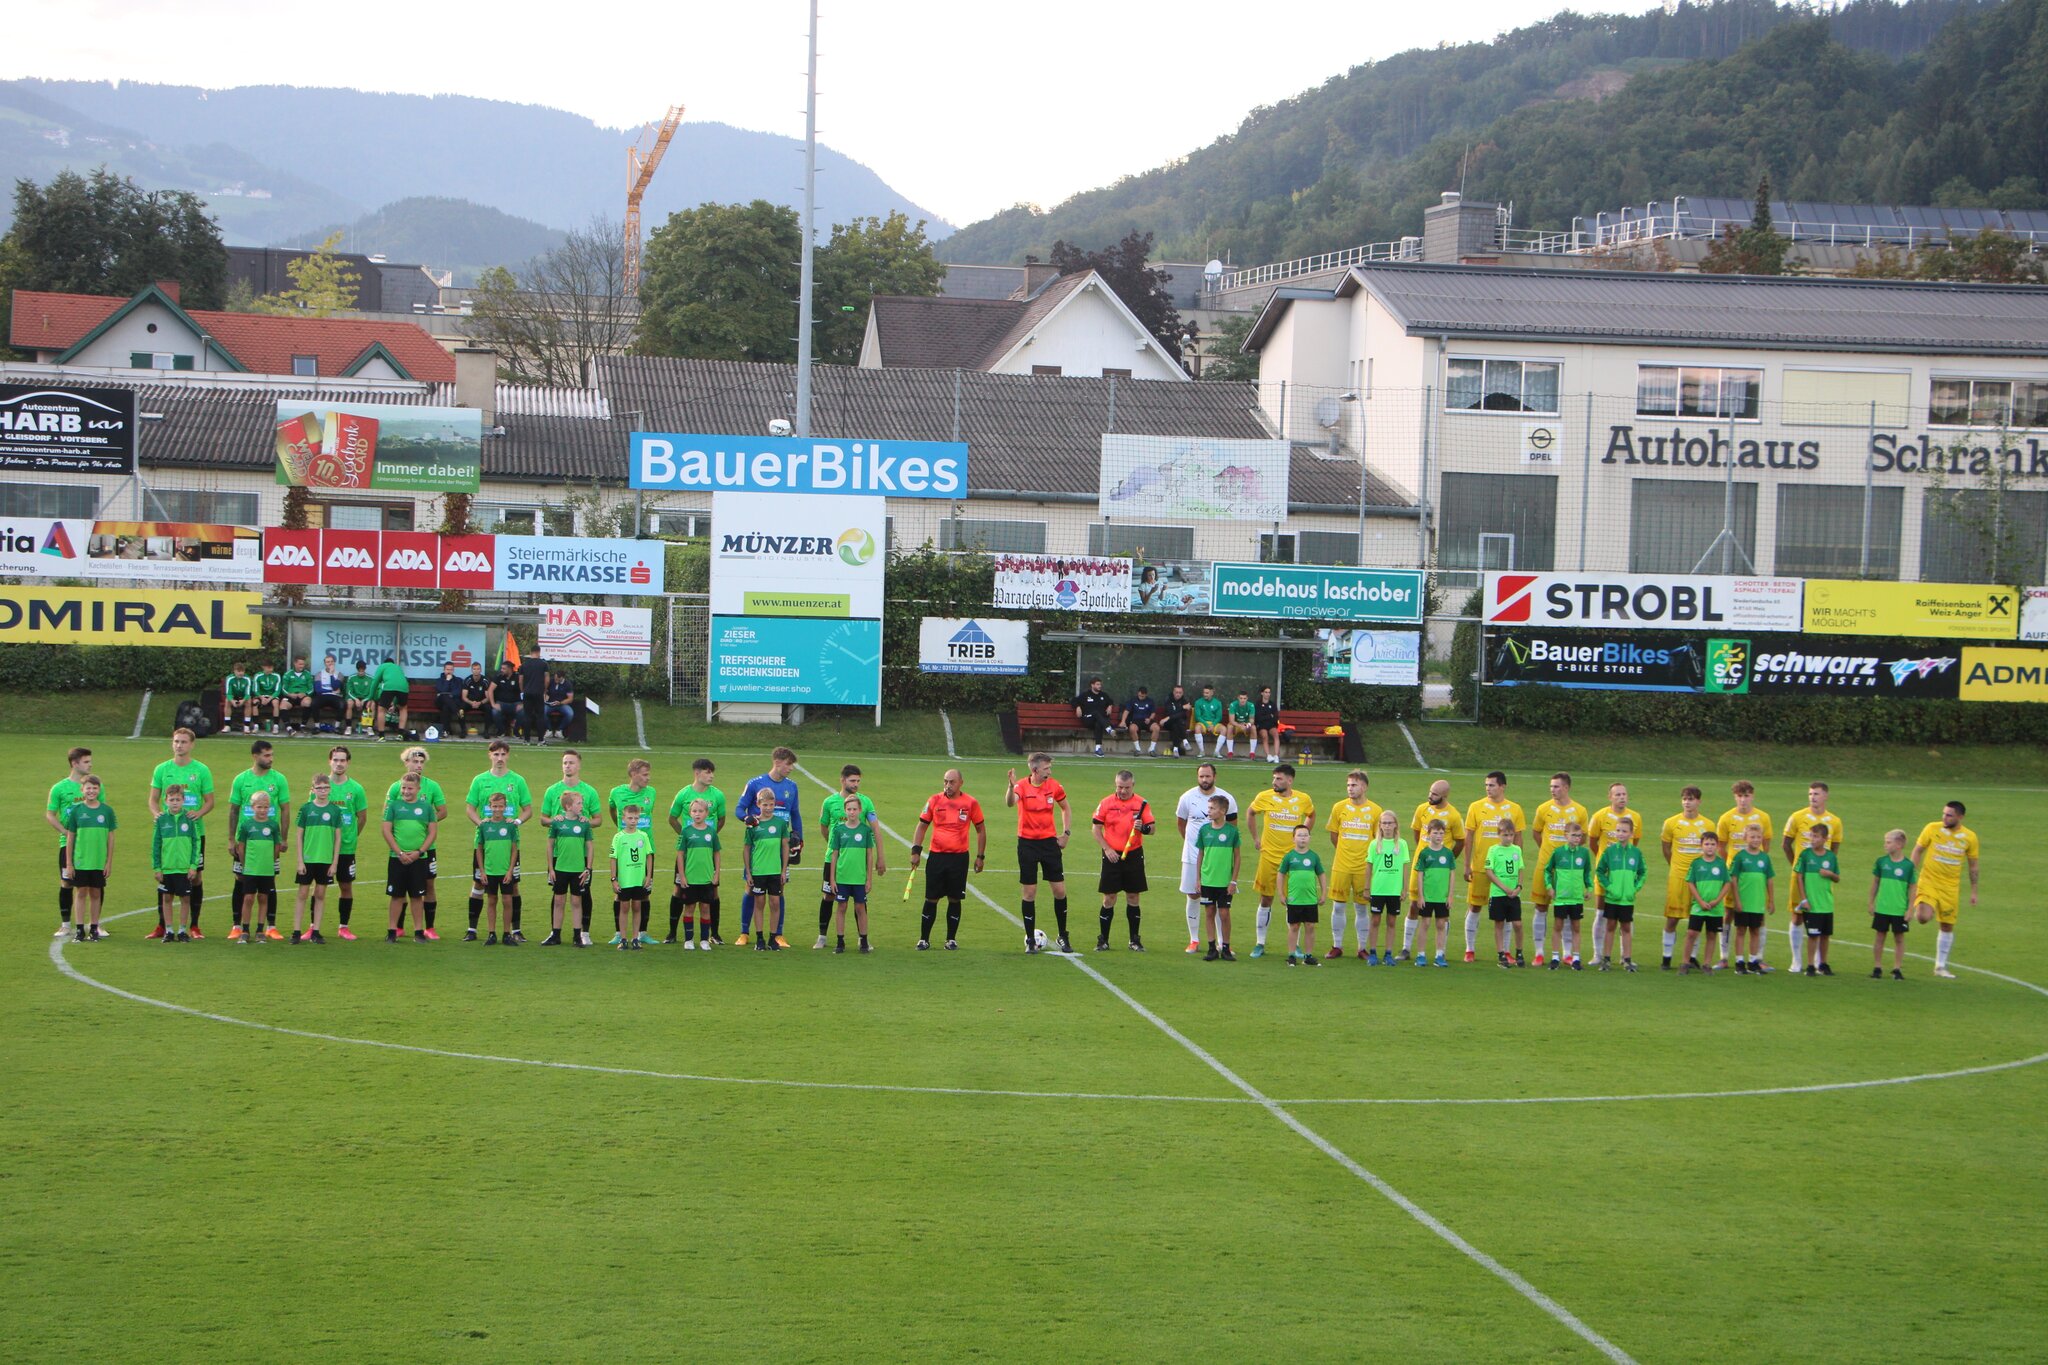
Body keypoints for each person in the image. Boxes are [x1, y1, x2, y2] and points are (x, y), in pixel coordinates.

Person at [148, 727, 216, 938]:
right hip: (169, 832)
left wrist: (199, 813)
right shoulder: (162, 769)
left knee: (194, 877)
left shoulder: (201, 770)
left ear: (192, 745)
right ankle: (162, 926)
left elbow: (210, 801)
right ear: (172, 743)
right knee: (164, 877)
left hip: (192, 833)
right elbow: (153, 798)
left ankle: (194, 926)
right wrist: (157, 814)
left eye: (184, 742)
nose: (179, 745)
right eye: (176, 741)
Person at [465, 740, 534, 941]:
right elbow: (469, 807)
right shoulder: (479, 780)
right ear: (490, 756)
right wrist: (481, 824)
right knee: (479, 883)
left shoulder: (517, 780)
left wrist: (518, 821)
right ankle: (472, 929)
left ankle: (515, 930)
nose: (500, 758)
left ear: (508, 756)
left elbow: (528, 809)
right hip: (485, 844)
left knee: (512, 886)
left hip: (509, 844)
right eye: (496, 754)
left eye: (503, 754)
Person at [910, 769, 985, 951]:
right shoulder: (934, 800)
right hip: (937, 857)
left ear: (961, 783)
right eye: (945, 782)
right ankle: (924, 939)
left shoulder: (970, 803)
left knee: (954, 898)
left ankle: (951, 939)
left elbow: (980, 829)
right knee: (931, 898)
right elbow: (921, 826)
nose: (948, 786)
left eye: (951, 782)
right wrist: (916, 851)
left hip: (959, 858)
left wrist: (980, 856)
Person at [1246, 763, 1315, 958]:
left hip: (1293, 859)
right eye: (1274, 778)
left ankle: (1296, 946)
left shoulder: (1303, 799)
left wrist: (1303, 835)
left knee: (1293, 901)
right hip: (1269, 856)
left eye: (1279, 778)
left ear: (1290, 780)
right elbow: (1250, 813)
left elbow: (1311, 814)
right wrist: (1255, 838)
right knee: (1266, 899)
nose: (1274, 782)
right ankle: (1260, 943)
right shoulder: (1264, 797)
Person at [1007, 753, 1073, 954]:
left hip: (1049, 844)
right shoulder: (1020, 786)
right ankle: (1030, 940)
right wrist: (1010, 786)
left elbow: (1065, 808)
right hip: (1027, 844)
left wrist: (1066, 834)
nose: (1049, 772)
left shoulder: (1054, 786)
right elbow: (1010, 803)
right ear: (1034, 770)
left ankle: (1063, 935)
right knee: (1029, 892)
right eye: (1046, 769)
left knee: (1059, 891)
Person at [736, 748, 802, 946]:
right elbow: (740, 808)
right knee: (751, 889)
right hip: (760, 845)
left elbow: (795, 814)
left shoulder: (792, 786)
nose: (791, 768)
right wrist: (747, 818)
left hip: (780, 844)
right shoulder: (755, 783)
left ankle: (777, 934)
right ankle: (744, 933)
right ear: (778, 762)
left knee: (779, 889)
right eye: (789, 764)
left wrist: (799, 837)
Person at [814, 765, 884, 949]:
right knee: (829, 896)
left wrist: (881, 856)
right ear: (842, 780)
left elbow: (875, 827)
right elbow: (823, 827)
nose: (856, 784)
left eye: (858, 781)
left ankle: (863, 938)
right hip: (833, 859)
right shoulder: (829, 802)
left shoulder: (865, 802)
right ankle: (822, 936)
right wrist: (836, 846)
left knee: (860, 900)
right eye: (852, 781)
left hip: (857, 861)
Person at [228, 740, 292, 936]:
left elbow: (285, 810)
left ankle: (271, 926)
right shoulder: (241, 779)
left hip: (269, 842)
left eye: (271, 755)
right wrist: (231, 839)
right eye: (266, 755)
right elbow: (234, 810)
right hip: (245, 842)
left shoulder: (279, 779)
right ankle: (237, 926)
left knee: (269, 880)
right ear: (255, 756)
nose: (270, 759)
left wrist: (283, 838)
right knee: (240, 880)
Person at [1174, 762, 1238, 954]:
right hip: (1193, 856)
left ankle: (1221, 942)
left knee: (1220, 898)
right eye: (1201, 776)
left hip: (1219, 859)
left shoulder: (1227, 799)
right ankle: (1194, 939)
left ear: (1214, 777)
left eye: (1208, 776)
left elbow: (1232, 828)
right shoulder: (1187, 797)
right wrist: (1195, 844)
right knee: (1193, 894)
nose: (1204, 780)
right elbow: (1181, 823)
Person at [1461, 772, 1526, 964]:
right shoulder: (1476, 807)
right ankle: (1469, 949)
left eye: (1492, 785)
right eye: (1486, 785)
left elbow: (1520, 838)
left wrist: (1516, 863)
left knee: (1506, 913)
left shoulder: (1514, 809)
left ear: (1503, 786)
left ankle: (1505, 951)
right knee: (1474, 906)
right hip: (1481, 868)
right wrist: (1467, 864)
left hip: (1506, 873)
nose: (1488, 788)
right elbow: (1469, 836)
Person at [385, 747, 449, 936]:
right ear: (406, 763)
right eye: (414, 761)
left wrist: (426, 824)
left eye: (421, 762)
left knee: (428, 885)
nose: (418, 765)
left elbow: (442, 811)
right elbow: (387, 815)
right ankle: (399, 927)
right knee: (401, 888)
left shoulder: (432, 786)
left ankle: (429, 927)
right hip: (401, 848)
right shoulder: (397, 787)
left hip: (426, 848)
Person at [1912, 800, 1979, 981]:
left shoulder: (1969, 837)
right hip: (1929, 882)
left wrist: (1974, 891)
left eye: (1949, 815)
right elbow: (1918, 850)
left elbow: (1973, 866)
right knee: (1923, 917)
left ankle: (1940, 966)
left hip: (1950, 888)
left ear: (1960, 817)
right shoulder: (1932, 828)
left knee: (1947, 925)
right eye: (1944, 813)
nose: (1944, 817)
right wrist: (1911, 874)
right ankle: (1926, 905)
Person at [1782, 782, 1844, 975]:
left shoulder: (1834, 821)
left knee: (1821, 914)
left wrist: (1826, 867)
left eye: (1816, 794)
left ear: (1825, 796)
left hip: (1821, 880)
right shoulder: (1797, 817)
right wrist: (1798, 867)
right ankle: (1796, 960)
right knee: (1798, 915)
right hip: (1801, 876)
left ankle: (1819, 962)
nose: (1812, 797)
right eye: (1810, 794)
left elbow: (1834, 850)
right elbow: (1786, 844)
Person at [544, 749, 606, 942]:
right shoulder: (552, 790)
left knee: (583, 892)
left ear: (579, 765)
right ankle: (555, 932)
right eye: (565, 763)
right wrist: (555, 819)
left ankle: (583, 932)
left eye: (571, 762)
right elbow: (543, 819)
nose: (567, 766)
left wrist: (584, 821)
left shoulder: (589, 791)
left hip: (580, 852)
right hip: (559, 852)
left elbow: (598, 820)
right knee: (558, 894)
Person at [1529, 773, 1589, 968]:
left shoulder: (1579, 811)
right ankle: (1539, 953)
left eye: (1556, 786)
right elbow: (1536, 833)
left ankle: (1568, 953)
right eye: (1551, 786)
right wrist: (1549, 854)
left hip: (1568, 871)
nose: (1552, 789)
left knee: (1568, 911)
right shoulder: (1543, 809)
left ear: (1566, 788)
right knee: (1540, 906)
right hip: (1545, 865)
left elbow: (1583, 838)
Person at [1323, 768, 1382, 960]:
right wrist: (1343, 852)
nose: (1350, 788)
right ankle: (1337, 946)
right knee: (1338, 906)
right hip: (1341, 865)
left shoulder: (1375, 810)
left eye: (1354, 785)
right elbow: (1334, 834)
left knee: (1361, 907)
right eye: (1348, 785)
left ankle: (1361, 948)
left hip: (1363, 868)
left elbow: (1377, 840)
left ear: (1364, 787)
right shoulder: (1339, 807)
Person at [1092, 770, 1154, 951]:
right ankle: (1103, 939)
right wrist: (1107, 848)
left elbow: (1153, 829)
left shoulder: (1141, 804)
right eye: (1119, 787)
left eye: (1126, 788)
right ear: (1115, 785)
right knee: (1109, 898)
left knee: (1133, 897)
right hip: (1112, 855)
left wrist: (1142, 827)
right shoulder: (1106, 803)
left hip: (1133, 854)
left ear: (1133, 786)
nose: (1123, 791)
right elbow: (1096, 829)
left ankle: (1134, 940)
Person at [1404, 780, 1465, 961]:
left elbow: (1461, 841)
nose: (1429, 796)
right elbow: (1417, 832)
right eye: (1430, 792)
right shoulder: (1422, 809)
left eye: (1434, 794)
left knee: (1442, 910)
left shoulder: (1453, 815)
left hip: (1440, 871)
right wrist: (1425, 854)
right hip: (1421, 866)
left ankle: (1440, 952)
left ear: (1444, 796)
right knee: (1414, 904)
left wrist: (1447, 859)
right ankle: (1406, 948)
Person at [667, 758, 726, 943]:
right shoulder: (683, 794)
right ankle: (672, 933)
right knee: (678, 889)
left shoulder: (718, 795)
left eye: (712, 772)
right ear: (697, 773)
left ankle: (714, 935)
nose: (711, 776)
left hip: (706, 853)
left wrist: (708, 837)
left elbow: (722, 819)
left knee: (713, 893)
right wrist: (687, 837)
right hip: (688, 854)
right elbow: (672, 818)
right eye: (707, 772)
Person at [1584, 782, 1641, 970]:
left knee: (1626, 918)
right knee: (1601, 913)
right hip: (1606, 875)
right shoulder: (1600, 816)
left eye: (1624, 794)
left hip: (1625, 877)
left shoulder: (1635, 817)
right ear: (1610, 797)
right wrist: (1604, 860)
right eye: (1617, 794)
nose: (1621, 797)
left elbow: (1635, 845)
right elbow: (1592, 842)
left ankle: (1626, 957)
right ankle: (1598, 954)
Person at [1715, 782, 1773, 964]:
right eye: (1740, 795)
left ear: (1752, 796)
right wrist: (1732, 864)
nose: (1743, 799)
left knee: (1758, 915)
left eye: (1746, 795)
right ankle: (1724, 957)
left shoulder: (1763, 817)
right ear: (1735, 797)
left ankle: (1758, 958)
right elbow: (1721, 847)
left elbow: (1766, 846)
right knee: (1728, 913)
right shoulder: (1726, 818)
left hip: (1754, 875)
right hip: (1734, 875)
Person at [1660, 786, 1714, 971]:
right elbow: (1666, 848)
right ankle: (1666, 958)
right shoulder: (1671, 823)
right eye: (1684, 799)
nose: (1687, 802)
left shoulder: (1708, 824)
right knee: (1672, 918)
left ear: (1699, 801)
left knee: (1696, 918)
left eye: (1691, 799)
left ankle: (1691, 957)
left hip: (1700, 879)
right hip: (1678, 877)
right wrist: (1675, 865)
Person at [608, 759, 661, 945]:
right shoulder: (616, 792)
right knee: (620, 891)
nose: (648, 778)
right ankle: (618, 933)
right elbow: (612, 810)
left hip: (646, 849)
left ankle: (642, 933)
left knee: (644, 890)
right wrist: (621, 829)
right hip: (623, 851)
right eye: (645, 774)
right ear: (633, 774)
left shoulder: (651, 793)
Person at [383, 773, 439, 942]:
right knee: (396, 896)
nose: (406, 791)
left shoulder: (427, 808)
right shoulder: (393, 806)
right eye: (403, 788)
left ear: (418, 789)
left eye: (410, 788)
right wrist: (399, 852)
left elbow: (433, 832)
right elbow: (386, 830)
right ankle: (392, 931)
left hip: (419, 859)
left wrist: (419, 852)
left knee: (417, 896)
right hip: (397, 858)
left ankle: (418, 932)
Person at [61, 776, 116, 943]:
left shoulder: (107, 811)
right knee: (81, 893)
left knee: (95, 893)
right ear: (82, 790)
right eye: (88, 788)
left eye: (95, 788)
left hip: (98, 862)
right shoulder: (76, 811)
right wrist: (69, 863)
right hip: (81, 861)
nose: (91, 791)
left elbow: (111, 838)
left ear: (99, 790)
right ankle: (79, 929)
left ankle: (93, 928)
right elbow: (70, 838)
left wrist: (108, 862)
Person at [323, 746, 370, 941]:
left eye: (343, 760)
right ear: (330, 761)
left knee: (345, 886)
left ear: (348, 763)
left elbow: (362, 817)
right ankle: (313, 926)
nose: (339, 764)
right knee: (319, 887)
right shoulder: (321, 786)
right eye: (336, 760)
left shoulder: (356, 789)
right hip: (323, 847)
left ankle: (344, 926)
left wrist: (350, 837)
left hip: (346, 847)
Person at [292, 774, 344, 943]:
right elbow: (299, 836)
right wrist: (300, 860)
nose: (323, 791)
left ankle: (316, 931)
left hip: (325, 860)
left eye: (326, 788)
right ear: (313, 789)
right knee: (303, 893)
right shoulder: (306, 809)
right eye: (319, 788)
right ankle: (296, 931)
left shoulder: (335, 811)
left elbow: (338, 839)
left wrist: (334, 862)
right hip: (308, 858)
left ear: (330, 789)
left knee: (320, 894)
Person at [824, 796, 880, 954]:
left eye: (855, 809)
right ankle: (840, 941)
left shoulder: (866, 831)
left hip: (859, 878)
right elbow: (834, 855)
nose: (852, 812)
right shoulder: (839, 830)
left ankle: (863, 940)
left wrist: (869, 879)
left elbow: (869, 856)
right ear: (845, 810)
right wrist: (832, 878)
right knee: (841, 907)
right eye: (849, 809)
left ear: (860, 810)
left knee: (860, 907)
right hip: (842, 878)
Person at [47, 746, 92, 939]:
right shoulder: (59, 788)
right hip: (68, 844)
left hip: (90, 843)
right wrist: (65, 831)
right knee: (66, 882)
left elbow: (102, 809)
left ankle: (95, 923)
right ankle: (65, 925)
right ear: (75, 763)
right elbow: (50, 814)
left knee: (93, 883)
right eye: (86, 762)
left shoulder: (94, 785)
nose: (90, 765)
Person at [1593, 818, 1646, 972]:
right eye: (1618, 831)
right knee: (1610, 926)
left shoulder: (1635, 853)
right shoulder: (1609, 852)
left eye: (1624, 831)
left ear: (1631, 834)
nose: (1620, 834)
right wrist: (1609, 887)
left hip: (1627, 899)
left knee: (1626, 928)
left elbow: (1643, 872)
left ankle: (1627, 959)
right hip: (1612, 897)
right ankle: (1606, 959)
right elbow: (1600, 871)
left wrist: (1634, 888)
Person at [232, 789, 284, 943]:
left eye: (266, 807)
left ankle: (260, 930)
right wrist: (244, 864)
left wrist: (270, 861)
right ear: (252, 807)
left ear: (270, 808)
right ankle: (245, 929)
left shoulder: (273, 825)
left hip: (266, 869)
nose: (263, 810)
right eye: (259, 807)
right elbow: (241, 847)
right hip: (251, 868)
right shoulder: (247, 825)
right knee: (248, 898)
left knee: (263, 897)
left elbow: (276, 846)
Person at [1193, 794, 1241, 961]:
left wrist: (1233, 880)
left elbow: (1237, 857)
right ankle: (1212, 947)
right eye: (1209, 808)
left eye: (1212, 808)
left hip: (1224, 882)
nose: (1209, 811)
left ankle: (1226, 947)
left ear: (1222, 811)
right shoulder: (1204, 830)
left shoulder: (1232, 831)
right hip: (1207, 880)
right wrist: (1198, 879)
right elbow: (1200, 854)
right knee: (1209, 912)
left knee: (1224, 914)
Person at [545, 792, 597, 947]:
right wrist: (551, 868)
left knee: (576, 901)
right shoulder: (557, 823)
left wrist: (588, 868)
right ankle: (555, 935)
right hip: (560, 868)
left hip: (578, 870)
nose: (582, 806)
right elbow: (550, 845)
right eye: (579, 803)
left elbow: (589, 846)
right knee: (559, 901)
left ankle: (577, 936)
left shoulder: (584, 824)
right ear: (568, 806)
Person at [744, 790, 793, 952]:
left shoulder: (780, 824)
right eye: (765, 805)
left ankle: (773, 938)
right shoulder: (752, 825)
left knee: (775, 903)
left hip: (775, 871)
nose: (768, 808)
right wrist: (749, 872)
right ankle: (759, 938)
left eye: (771, 805)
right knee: (759, 903)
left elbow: (785, 847)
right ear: (758, 804)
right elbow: (746, 849)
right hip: (758, 871)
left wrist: (784, 870)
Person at [150, 783, 199, 943]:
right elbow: (156, 845)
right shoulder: (161, 820)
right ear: (166, 801)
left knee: (185, 899)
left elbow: (195, 842)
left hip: (184, 868)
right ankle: (169, 931)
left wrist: (193, 866)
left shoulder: (189, 820)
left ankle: (182, 930)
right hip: (167, 868)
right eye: (172, 799)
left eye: (178, 799)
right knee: (166, 898)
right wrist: (157, 867)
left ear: (183, 800)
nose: (175, 802)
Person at [1541, 822, 1592, 970]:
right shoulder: (1558, 853)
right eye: (1574, 835)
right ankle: (1555, 957)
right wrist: (1549, 887)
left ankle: (1576, 958)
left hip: (1576, 898)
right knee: (1558, 926)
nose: (1577, 838)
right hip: (1561, 899)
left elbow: (1587, 872)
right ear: (1566, 835)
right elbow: (1547, 871)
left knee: (1576, 927)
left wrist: (1589, 888)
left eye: (1579, 836)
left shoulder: (1583, 853)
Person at [1790, 823, 1840, 976]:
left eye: (1816, 836)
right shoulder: (1805, 855)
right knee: (1813, 935)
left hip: (1827, 904)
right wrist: (1804, 899)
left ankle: (1823, 964)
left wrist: (1829, 874)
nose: (1813, 839)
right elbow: (1799, 876)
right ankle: (1810, 964)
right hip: (1812, 904)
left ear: (1825, 839)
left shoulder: (1831, 856)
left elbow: (1837, 878)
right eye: (1811, 836)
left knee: (1825, 935)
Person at [1679, 831, 1731, 975]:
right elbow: (1690, 882)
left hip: (1716, 908)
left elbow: (1727, 883)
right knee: (1691, 933)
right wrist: (1700, 901)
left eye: (1713, 844)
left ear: (1717, 846)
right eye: (1707, 844)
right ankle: (1685, 962)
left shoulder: (1721, 864)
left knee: (1712, 934)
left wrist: (1717, 900)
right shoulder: (1696, 863)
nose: (1710, 847)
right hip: (1698, 906)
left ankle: (1707, 964)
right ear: (1701, 846)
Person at [671, 796, 719, 949]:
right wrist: (682, 876)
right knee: (689, 908)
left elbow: (717, 853)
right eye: (694, 811)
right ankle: (689, 940)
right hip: (690, 878)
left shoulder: (711, 832)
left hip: (706, 878)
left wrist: (716, 873)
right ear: (690, 813)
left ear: (707, 813)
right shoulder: (686, 832)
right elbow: (680, 854)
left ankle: (704, 940)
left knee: (705, 908)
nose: (697, 814)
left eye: (700, 811)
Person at [1727, 823, 1776, 975]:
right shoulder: (1740, 857)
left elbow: (1769, 879)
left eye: (1758, 837)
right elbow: (1733, 879)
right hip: (1744, 901)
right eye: (1752, 837)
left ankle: (1753, 961)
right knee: (1741, 930)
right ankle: (1739, 961)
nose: (1756, 840)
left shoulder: (1764, 858)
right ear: (1745, 838)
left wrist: (1771, 900)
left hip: (1757, 902)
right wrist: (1737, 900)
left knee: (1755, 930)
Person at [1364, 811, 1411, 965]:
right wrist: (1367, 888)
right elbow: (1369, 867)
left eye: (1390, 823)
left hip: (1394, 890)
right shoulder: (1374, 844)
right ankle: (1372, 953)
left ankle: (1388, 953)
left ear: (1396, 824)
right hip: (1378, 889)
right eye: (1384, 823)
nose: (1387, 826)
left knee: (1391, 922)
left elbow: (1405, 868)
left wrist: (1405, 889)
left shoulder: (1402, 844)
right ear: (1380, 826)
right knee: (1375, 921)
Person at [1870, 829, 1917, 980]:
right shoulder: (1881, 862)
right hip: (1883, 907)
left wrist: (1910, 909)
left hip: (1899, 909)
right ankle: (1877, 967)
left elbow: (1912, 887)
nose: (1885, 845)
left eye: (1888, 842)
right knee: (1879, 936)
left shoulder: (1908, 866)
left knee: (1899, 938)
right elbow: (1875, 882)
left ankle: (1897, 968)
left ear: (1899, 844)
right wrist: (1871, 902)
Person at [476, 793, 523, 946]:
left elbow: (514, 849)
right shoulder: (483, 826)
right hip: (489, 872)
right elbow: (479, 849)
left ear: (505, 807)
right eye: (494, 806)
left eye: (500, 806)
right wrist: (482, 871)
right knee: (491, 900)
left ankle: (506, 934)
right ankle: (491, 933)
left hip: (505, 872)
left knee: (507, 900)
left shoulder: (510, 826)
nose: (497, 809)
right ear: (489, 807)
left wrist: (510, 871)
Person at [1412, 819, 1458, 967]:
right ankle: (1421, 955)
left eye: (1441, 833)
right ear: (1429, 834)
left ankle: (1439, 955)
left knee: (1440, 924)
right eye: (1435, 833)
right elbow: (1419, 874)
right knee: (1425, 923)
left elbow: (1452, 874)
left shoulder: (1448, 854)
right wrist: (1420, 895)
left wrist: (1450, 895)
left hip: (1442, 897)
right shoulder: (1425, 853)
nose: (1439, 836)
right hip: (1428, 896)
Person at [1277, 824, 1325, 966]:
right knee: (1294, 926)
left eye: (1305, 835)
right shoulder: (1289, 857)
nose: (1302, 838)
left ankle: (1308, 956)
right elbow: (1280, 874)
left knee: (1310, 926)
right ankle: (1291, 955)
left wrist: (1323, 893)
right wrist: (1281, 893)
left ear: (1309, 838)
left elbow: (1321, 874)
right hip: (1294, 899)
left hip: (1310, 899)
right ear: (1293, 839)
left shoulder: (1314, 857)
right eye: (1299, 835)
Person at [609, 804, 654, 950]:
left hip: (638, 880)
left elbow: (649, 855)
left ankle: (635, 938)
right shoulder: (618, 838)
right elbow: (613, 858)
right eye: (630, 818)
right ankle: (623, 939)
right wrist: (614, 879)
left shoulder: (643, 836)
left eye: (636, 818)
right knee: (624, 907)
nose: (633, 821)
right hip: (625, 880)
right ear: (624, 818)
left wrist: (648, 875)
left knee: (637, 906)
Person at [1484, 816, 1527, 968]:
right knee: (1499, 923)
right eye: (1505, 835)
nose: (1509, 838)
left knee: (1518, 924)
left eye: (1511, 835)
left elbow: (1521, 869)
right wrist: (1504, 888)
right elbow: (1489, 872)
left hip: (1514, 894)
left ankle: (1519, 952)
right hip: (1498, 894)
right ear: (1499, 835)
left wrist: (1519, 887)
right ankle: (1501, 954)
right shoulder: (1494, 850)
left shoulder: (1517, 850)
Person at [1073, 677, 1119, 757]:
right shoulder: (1085, 695)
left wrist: (1110, 705)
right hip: (1088, 719)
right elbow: (1074, 700)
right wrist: (1077, 707)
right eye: (1097, 684)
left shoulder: (1104, 695)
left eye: (1100, 684)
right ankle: (1109, 729)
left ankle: (1098, 749)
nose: (1099, 686)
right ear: (1092, 685)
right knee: (1096, 713)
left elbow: (1110, 701)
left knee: (1099, 724)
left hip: (1100, 722)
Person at [372, 655, 411, 738]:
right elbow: (400, 684)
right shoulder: (398, 667)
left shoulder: (383, 666)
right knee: (403, 708)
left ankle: (381, 735)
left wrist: (370, 697)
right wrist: (395, 703)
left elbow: (375, 682)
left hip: (389, 686)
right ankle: (400, 734)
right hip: (404, 687)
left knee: (381, 709)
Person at [518, 650, 549, 745]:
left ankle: (526, 740)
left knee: (527, 715)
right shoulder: (544, 664)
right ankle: (540, 740)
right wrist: (545, 690)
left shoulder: (524, 665)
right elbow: (547, 679)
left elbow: (520, 680)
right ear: (539, 652)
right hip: (538, 692)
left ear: (531, 653)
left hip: (527, 692)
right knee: (540, 716)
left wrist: (522, 690)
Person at [1122, 686, 1162, 756]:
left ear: (1146, 695)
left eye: (1143, 696)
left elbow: (1153, 713)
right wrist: (1123, 721)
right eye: (1140, 695)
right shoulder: (1133, 700)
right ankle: (1137, 749)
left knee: (1156, 728)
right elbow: (1126, 711)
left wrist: (1150, 719)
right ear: (1138, 693)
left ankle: (1152, 749)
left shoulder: (1150, 701)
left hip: (1147, 721)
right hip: (1136, 721)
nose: (1141, 697)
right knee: (1132, 728)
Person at [308, 654, 345, 729]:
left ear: (334, 663)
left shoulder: (339, 674)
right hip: (322, 695)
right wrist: (331, 690)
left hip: (335, 696)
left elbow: (335, 686)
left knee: (342, 705)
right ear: (325, 663)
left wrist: (331, 674)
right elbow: (318, 690)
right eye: (328, 662)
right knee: (314, 703)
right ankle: (317, 726)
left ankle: (337, 726)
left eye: (331, 662)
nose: (330, 663)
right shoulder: (319, 674)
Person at [279, 656, 313, 735]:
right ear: (295, 663)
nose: (302, 666)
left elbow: (311, 689)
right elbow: (283, 689)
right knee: (283, 705)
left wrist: (305, 693)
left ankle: (303, 726)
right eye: (300, 664)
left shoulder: (308, 674)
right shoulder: (287, 674)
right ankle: (289, 728)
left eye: (303, 664)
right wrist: (289, 694)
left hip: (303, 696)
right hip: (291, 695)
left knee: (308, 702)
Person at [1190, 684, 1225, 757]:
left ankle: (1216, 751)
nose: (1205, 694)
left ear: (1212, 692)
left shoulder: (1218, 703)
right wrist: (1207, 725)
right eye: (1204, 693)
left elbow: (1219, 717)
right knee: (1197, 728)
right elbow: (1198, 717)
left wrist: (1213, 725)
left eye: (1207, 693)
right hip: (1203, 723)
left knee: (1224, 729)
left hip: (1214, 724)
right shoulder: (1198, 702)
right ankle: (1202, 751)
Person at [489, 661, 522, 739]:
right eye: (501, 668)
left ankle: (516, 732)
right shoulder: (498, 677)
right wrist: (493, 704)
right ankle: (501, 731)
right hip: (501, 703)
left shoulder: (518, 677)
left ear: (510, 669)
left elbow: (524, 691)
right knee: (494, 711)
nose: (502, 670)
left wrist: (522, 703)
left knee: (523, 711)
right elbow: (490, 690)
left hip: (515, 703)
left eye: (504, 669)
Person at [1159, 684, 1194, 758]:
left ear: (1182, 693)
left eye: (1180, 693)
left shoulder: (1184, 701)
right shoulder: (1168, 700)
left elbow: (1181, 714)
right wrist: (1182, 707)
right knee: (1176, 722)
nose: (1178, 694)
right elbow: (1170, 712)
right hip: (1168, 724)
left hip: (1179, 723)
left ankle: (1175, 749)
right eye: (1176, 692)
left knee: (1177, 723)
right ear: (1173, 692)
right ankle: (1184, 740)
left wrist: (1168, 717)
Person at [458, 663, 492, 738]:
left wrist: (480, 703)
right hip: (470, 702)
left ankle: (486, 731)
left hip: (481, 702)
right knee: (461, 710)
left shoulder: (485, 680)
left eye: (478, 669)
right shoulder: (467, 680)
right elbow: (464, 697)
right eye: (474, 669)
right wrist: (471, 702)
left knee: (489, 709)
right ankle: (463, 730)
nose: (476, 671)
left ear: (481, 670)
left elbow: (488, 697)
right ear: (471, 670)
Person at [344, 660, 378, 734]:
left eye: (362, 670)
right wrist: (356, 699)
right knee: (349, 703)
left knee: (372, 704)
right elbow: (349, 692)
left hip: (365, 698)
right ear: (357, 669)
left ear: (365, 669)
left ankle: (370, 727)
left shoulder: (371, 678)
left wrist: (364, 700)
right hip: (354, 698)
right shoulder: (351, 678)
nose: (361, 672)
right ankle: (348, 727)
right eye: (359, 670)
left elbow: (372, 693)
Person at [251, 661, 284, 733]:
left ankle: (276, 726)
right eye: (269, 668)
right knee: (255, 702)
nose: (271, 670)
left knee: (276, 702)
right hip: (261, 696)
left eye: (272, 667)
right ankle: (256, 726)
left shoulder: (277, 676)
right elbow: (255, 690)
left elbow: (277, 691)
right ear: (263, 667)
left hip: (271, 696)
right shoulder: (258, 676)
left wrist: (269, 699)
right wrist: (261, 698)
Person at [1252, 685, 1282, 765]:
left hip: (1271, 725)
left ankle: (1276, 756)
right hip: (1261, 725)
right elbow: (1258, 717)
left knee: (1276, 734)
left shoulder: (1272, 704)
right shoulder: (1257, 704)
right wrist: (1269, 716)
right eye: (1266, 692)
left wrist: (1268, 717)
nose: (1267, 694)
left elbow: (1275, 717)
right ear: (1262, 693)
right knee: (1265, 735)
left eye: (1269, 692)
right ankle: (1268, 756)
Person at [434, 661, 465, 736]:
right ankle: (458, 712)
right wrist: (447, 681)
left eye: (451, 669)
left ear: (453, 670)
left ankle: (446, 731)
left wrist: (450, 695)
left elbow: (458, 692)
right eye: (447, 669)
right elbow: (441, 691)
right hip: (440, 702)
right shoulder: (439, 680)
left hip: (452, 702)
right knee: (444, 696)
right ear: (444, 670)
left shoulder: (458, 680)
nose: (449, 671)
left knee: (446, 707)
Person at [223, 661, 255, 734]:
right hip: (234, 696)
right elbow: (228, 693)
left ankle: (246, 726)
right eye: (238, 671)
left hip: (243, 697)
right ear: (234, 671)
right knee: (227, 701)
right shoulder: (229, 678)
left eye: (242, 671)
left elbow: (247, 693)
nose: (241, 673)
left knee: (248, 701)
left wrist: (243, 700)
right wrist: (232, 701)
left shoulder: (247, 679)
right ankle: (227, 725)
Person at [1224, 689, 1256, 759]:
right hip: (1236, 725)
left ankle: (1252, 753)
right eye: (1241, 698)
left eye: (1244, 698)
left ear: (1247, 698)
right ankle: (1230, 752)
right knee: (1229, 727)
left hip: (1246, 726)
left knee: (1253, 728)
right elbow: (1231, 720)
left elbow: (1252, 720)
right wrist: (1240, 725)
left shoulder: (1251, 705)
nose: (1242, 700)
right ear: (1238, 698)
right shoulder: (1233, 705)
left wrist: (1247, 725)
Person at [545, 672, 576, 739]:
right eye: (555, 678)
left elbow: (570, 699)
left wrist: (560, 702)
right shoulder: (550, 681)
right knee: (542, 711)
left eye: (558, 679)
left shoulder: (567, 684)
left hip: (562, 704)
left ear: (562, 678)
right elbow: (544, 691)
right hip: (550, 703)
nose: (556, 680)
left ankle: (559, 730)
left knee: (569, 713)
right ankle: (549, 729)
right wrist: (545, 697)